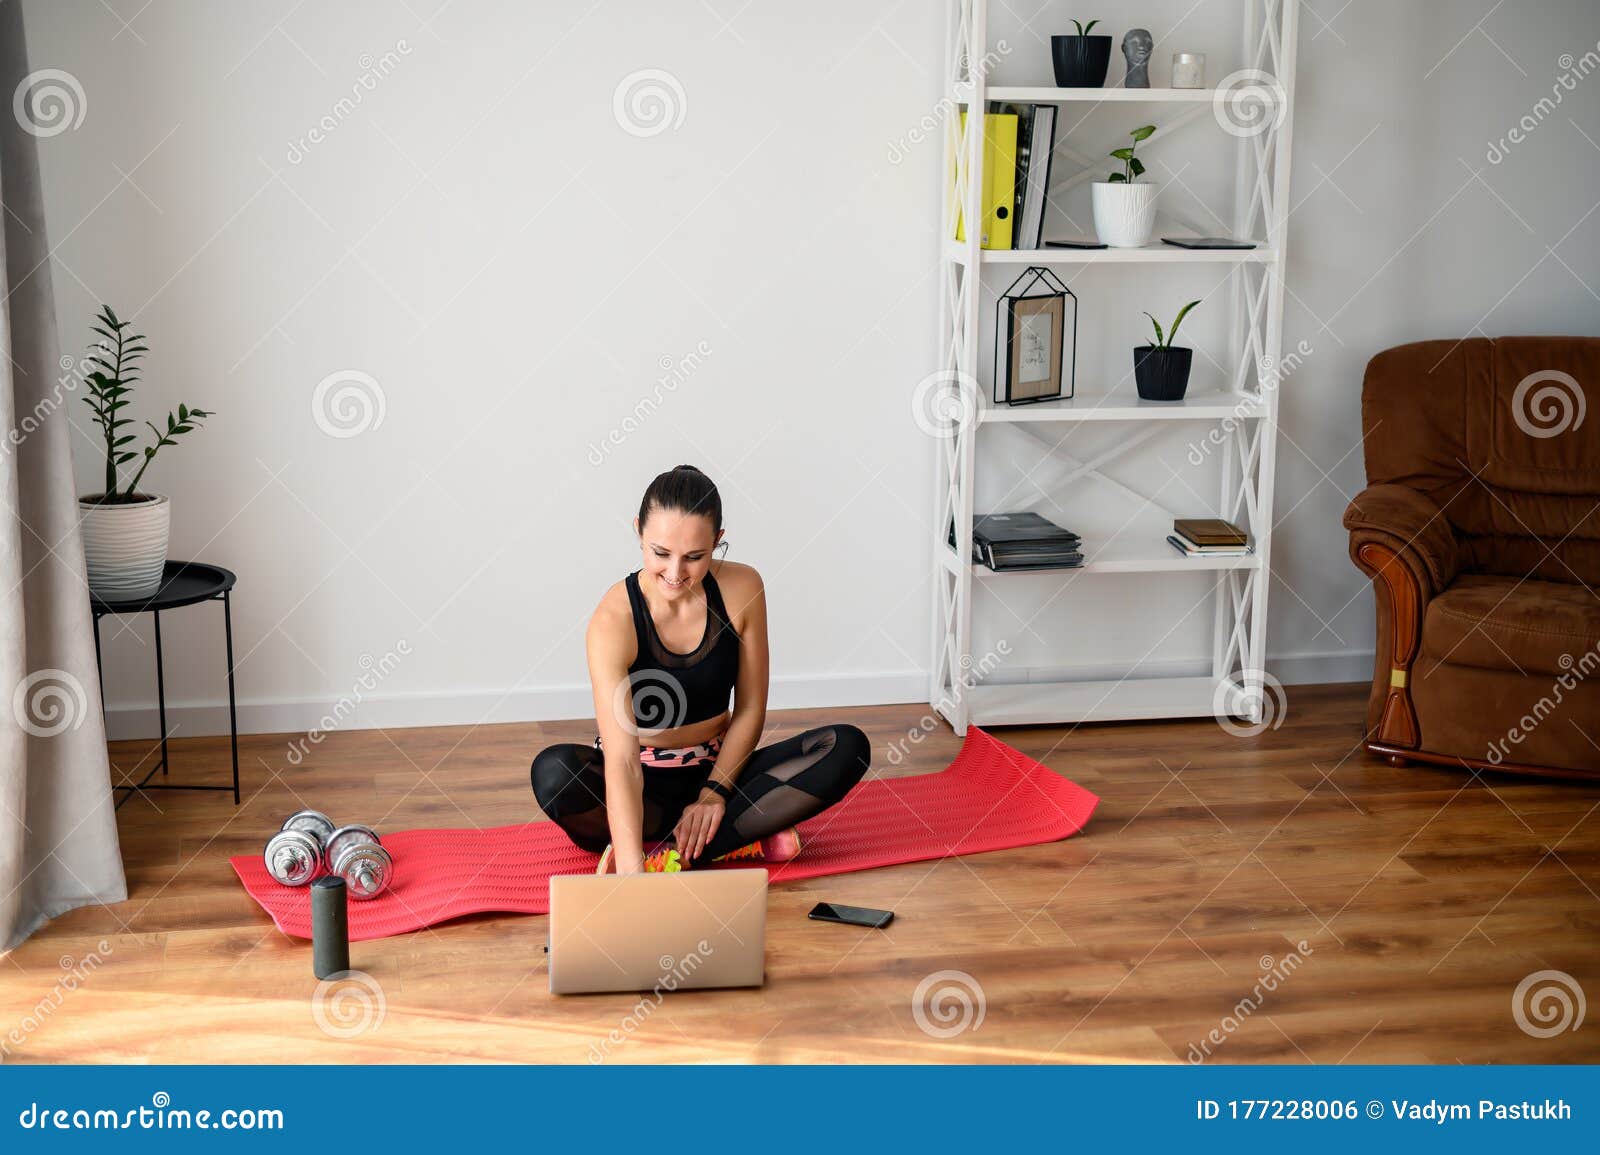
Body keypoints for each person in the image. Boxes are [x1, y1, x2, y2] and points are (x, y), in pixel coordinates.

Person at [531, 464, 871, 873]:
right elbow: (621, 761)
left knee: (848, 747)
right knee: (554, 774)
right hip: (641, 784)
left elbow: (748, 710)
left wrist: (713, 793)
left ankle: (680, 847)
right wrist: (630, 870)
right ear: (638, 531)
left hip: (721, 770)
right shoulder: (613, 620)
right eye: (660, 553)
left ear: (718, 542)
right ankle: (730, 834)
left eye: (695, 557)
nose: (675, 574)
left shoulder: (743, 588)